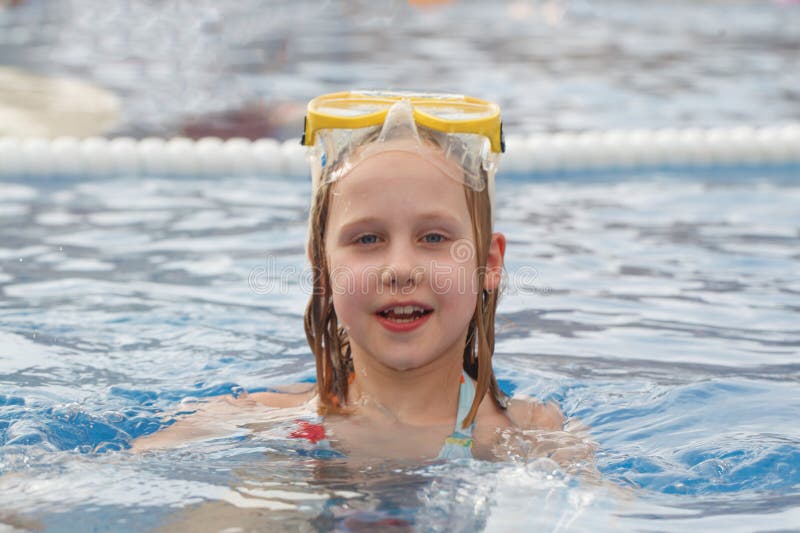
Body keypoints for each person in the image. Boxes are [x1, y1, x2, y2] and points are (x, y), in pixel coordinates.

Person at [133, 91, 584, 465]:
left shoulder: (534, 438)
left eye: (433, 236)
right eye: (368, 239)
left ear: (488, 266)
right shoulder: (253, 422)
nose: (401, 269)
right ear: (322, 268)